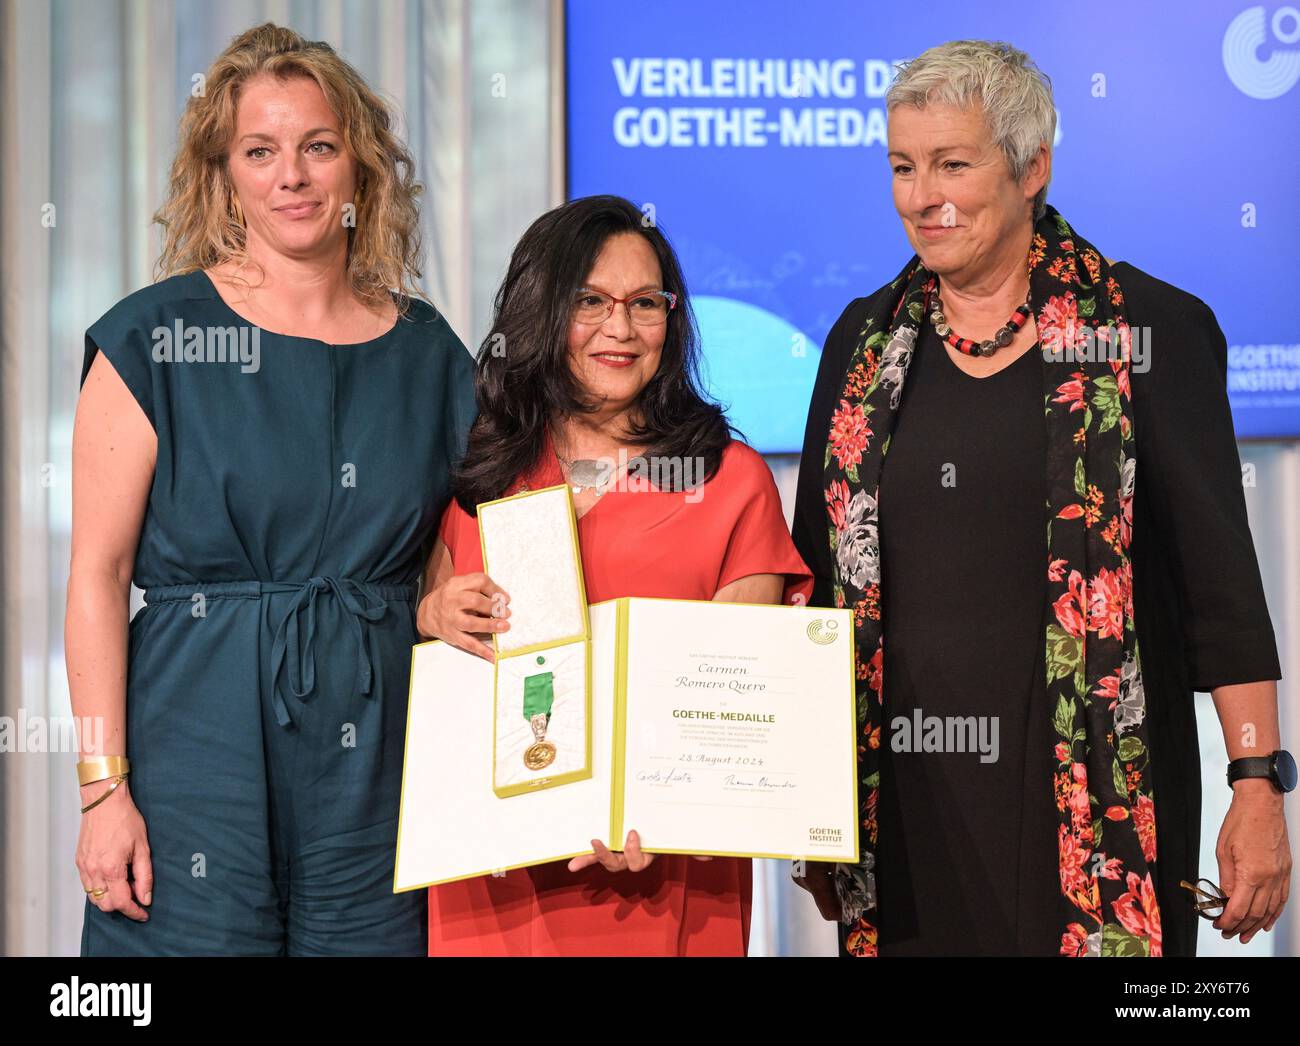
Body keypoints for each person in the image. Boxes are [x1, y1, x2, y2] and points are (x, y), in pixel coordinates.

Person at [791, 40, 1290, 957]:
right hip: (898, 815)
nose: (921, 195)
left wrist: (1257, 783)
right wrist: (805, 812)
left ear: (1033, 168)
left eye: (953, 164)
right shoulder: (860, 344)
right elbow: (815, 595)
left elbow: (1222, 591)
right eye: (903, 167)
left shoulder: (1153, 332)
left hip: (1097, 820)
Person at [68, 23, 476, 955]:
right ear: (225, 175)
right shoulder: (150, 340)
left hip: (380, 784)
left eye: (317, 146)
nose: (291, 175)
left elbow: (452, 567)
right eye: (261, 151)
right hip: (188, 770)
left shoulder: (430, 355)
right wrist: (102, 790)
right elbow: (96, 573)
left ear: (359, 168)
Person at [416, 194, 814, 955]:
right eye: (590, 303)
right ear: (541, 311)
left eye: (645, 303)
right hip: (494, 872)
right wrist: (429, 614)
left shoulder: (730, 480)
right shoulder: (484, 475)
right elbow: (435, 647)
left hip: (665, 878)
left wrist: (661, 813)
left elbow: (740, 703)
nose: (621, 330)